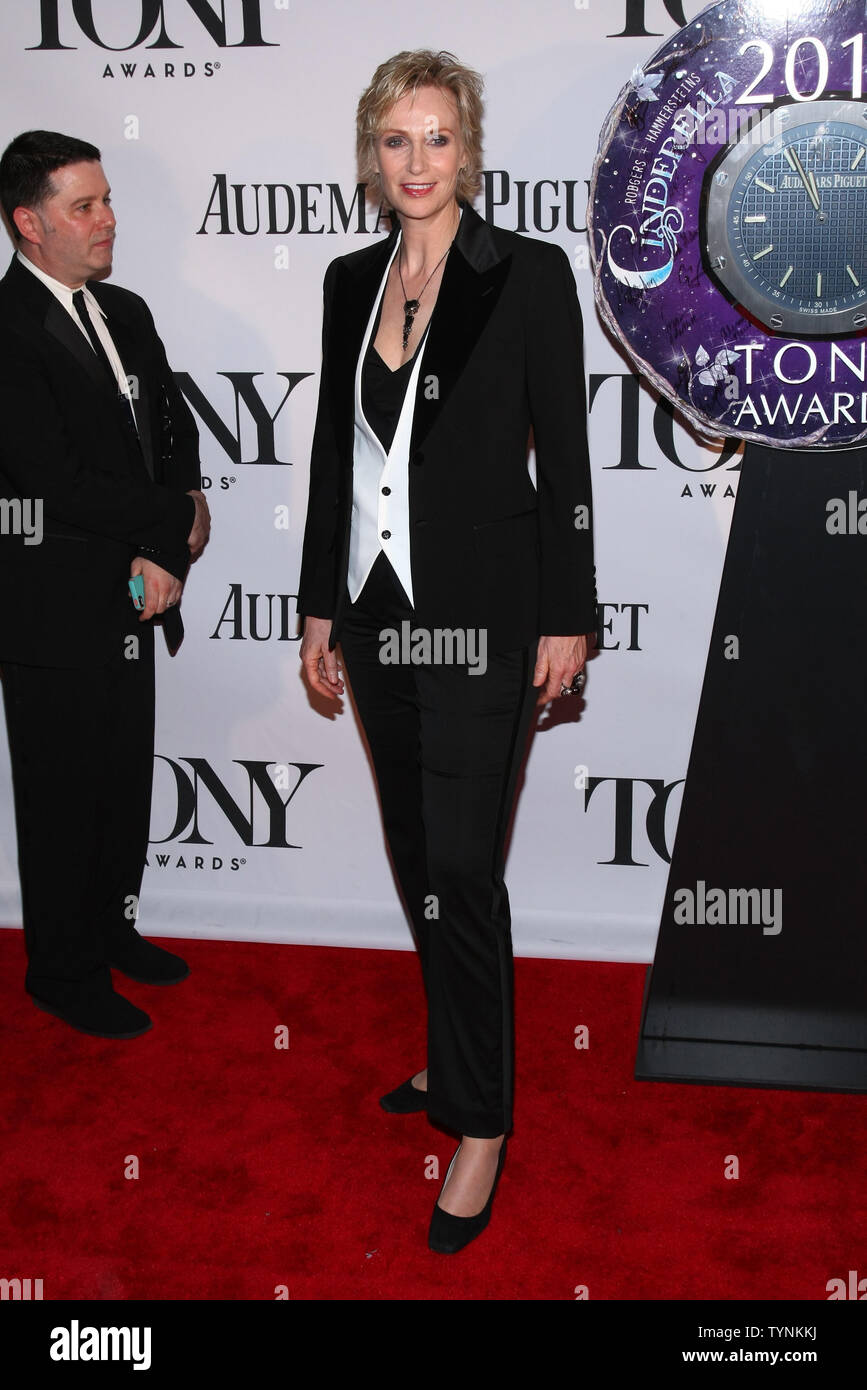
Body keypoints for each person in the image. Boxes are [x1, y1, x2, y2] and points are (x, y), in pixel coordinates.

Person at [298, 51, 596, 1253]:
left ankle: (481, 1123)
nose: (414, 163)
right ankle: (451, 1051)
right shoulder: (346, 279)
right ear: (372, 157)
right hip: (376, 617)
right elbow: (332, 454)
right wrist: (320, 605)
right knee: (417, 847)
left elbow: (567, 458)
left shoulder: (526, 274)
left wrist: (569, 612)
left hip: (488, 621)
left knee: (464, 868)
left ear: (468, 150)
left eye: (435, 139)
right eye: (393, 141)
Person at [0, 130, 210, 1040]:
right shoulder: (7, 333)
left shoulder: (124, 310)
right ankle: (63, 970)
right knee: (62, 795)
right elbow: (49, 482)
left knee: (123, 784)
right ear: (28, 224)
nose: (108, 221)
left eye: (107, 200)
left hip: (135, 593)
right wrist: (164, 529)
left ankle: (114, 933)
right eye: (84, 207)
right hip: (50, 610)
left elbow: (171, 425)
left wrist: (183, 509)